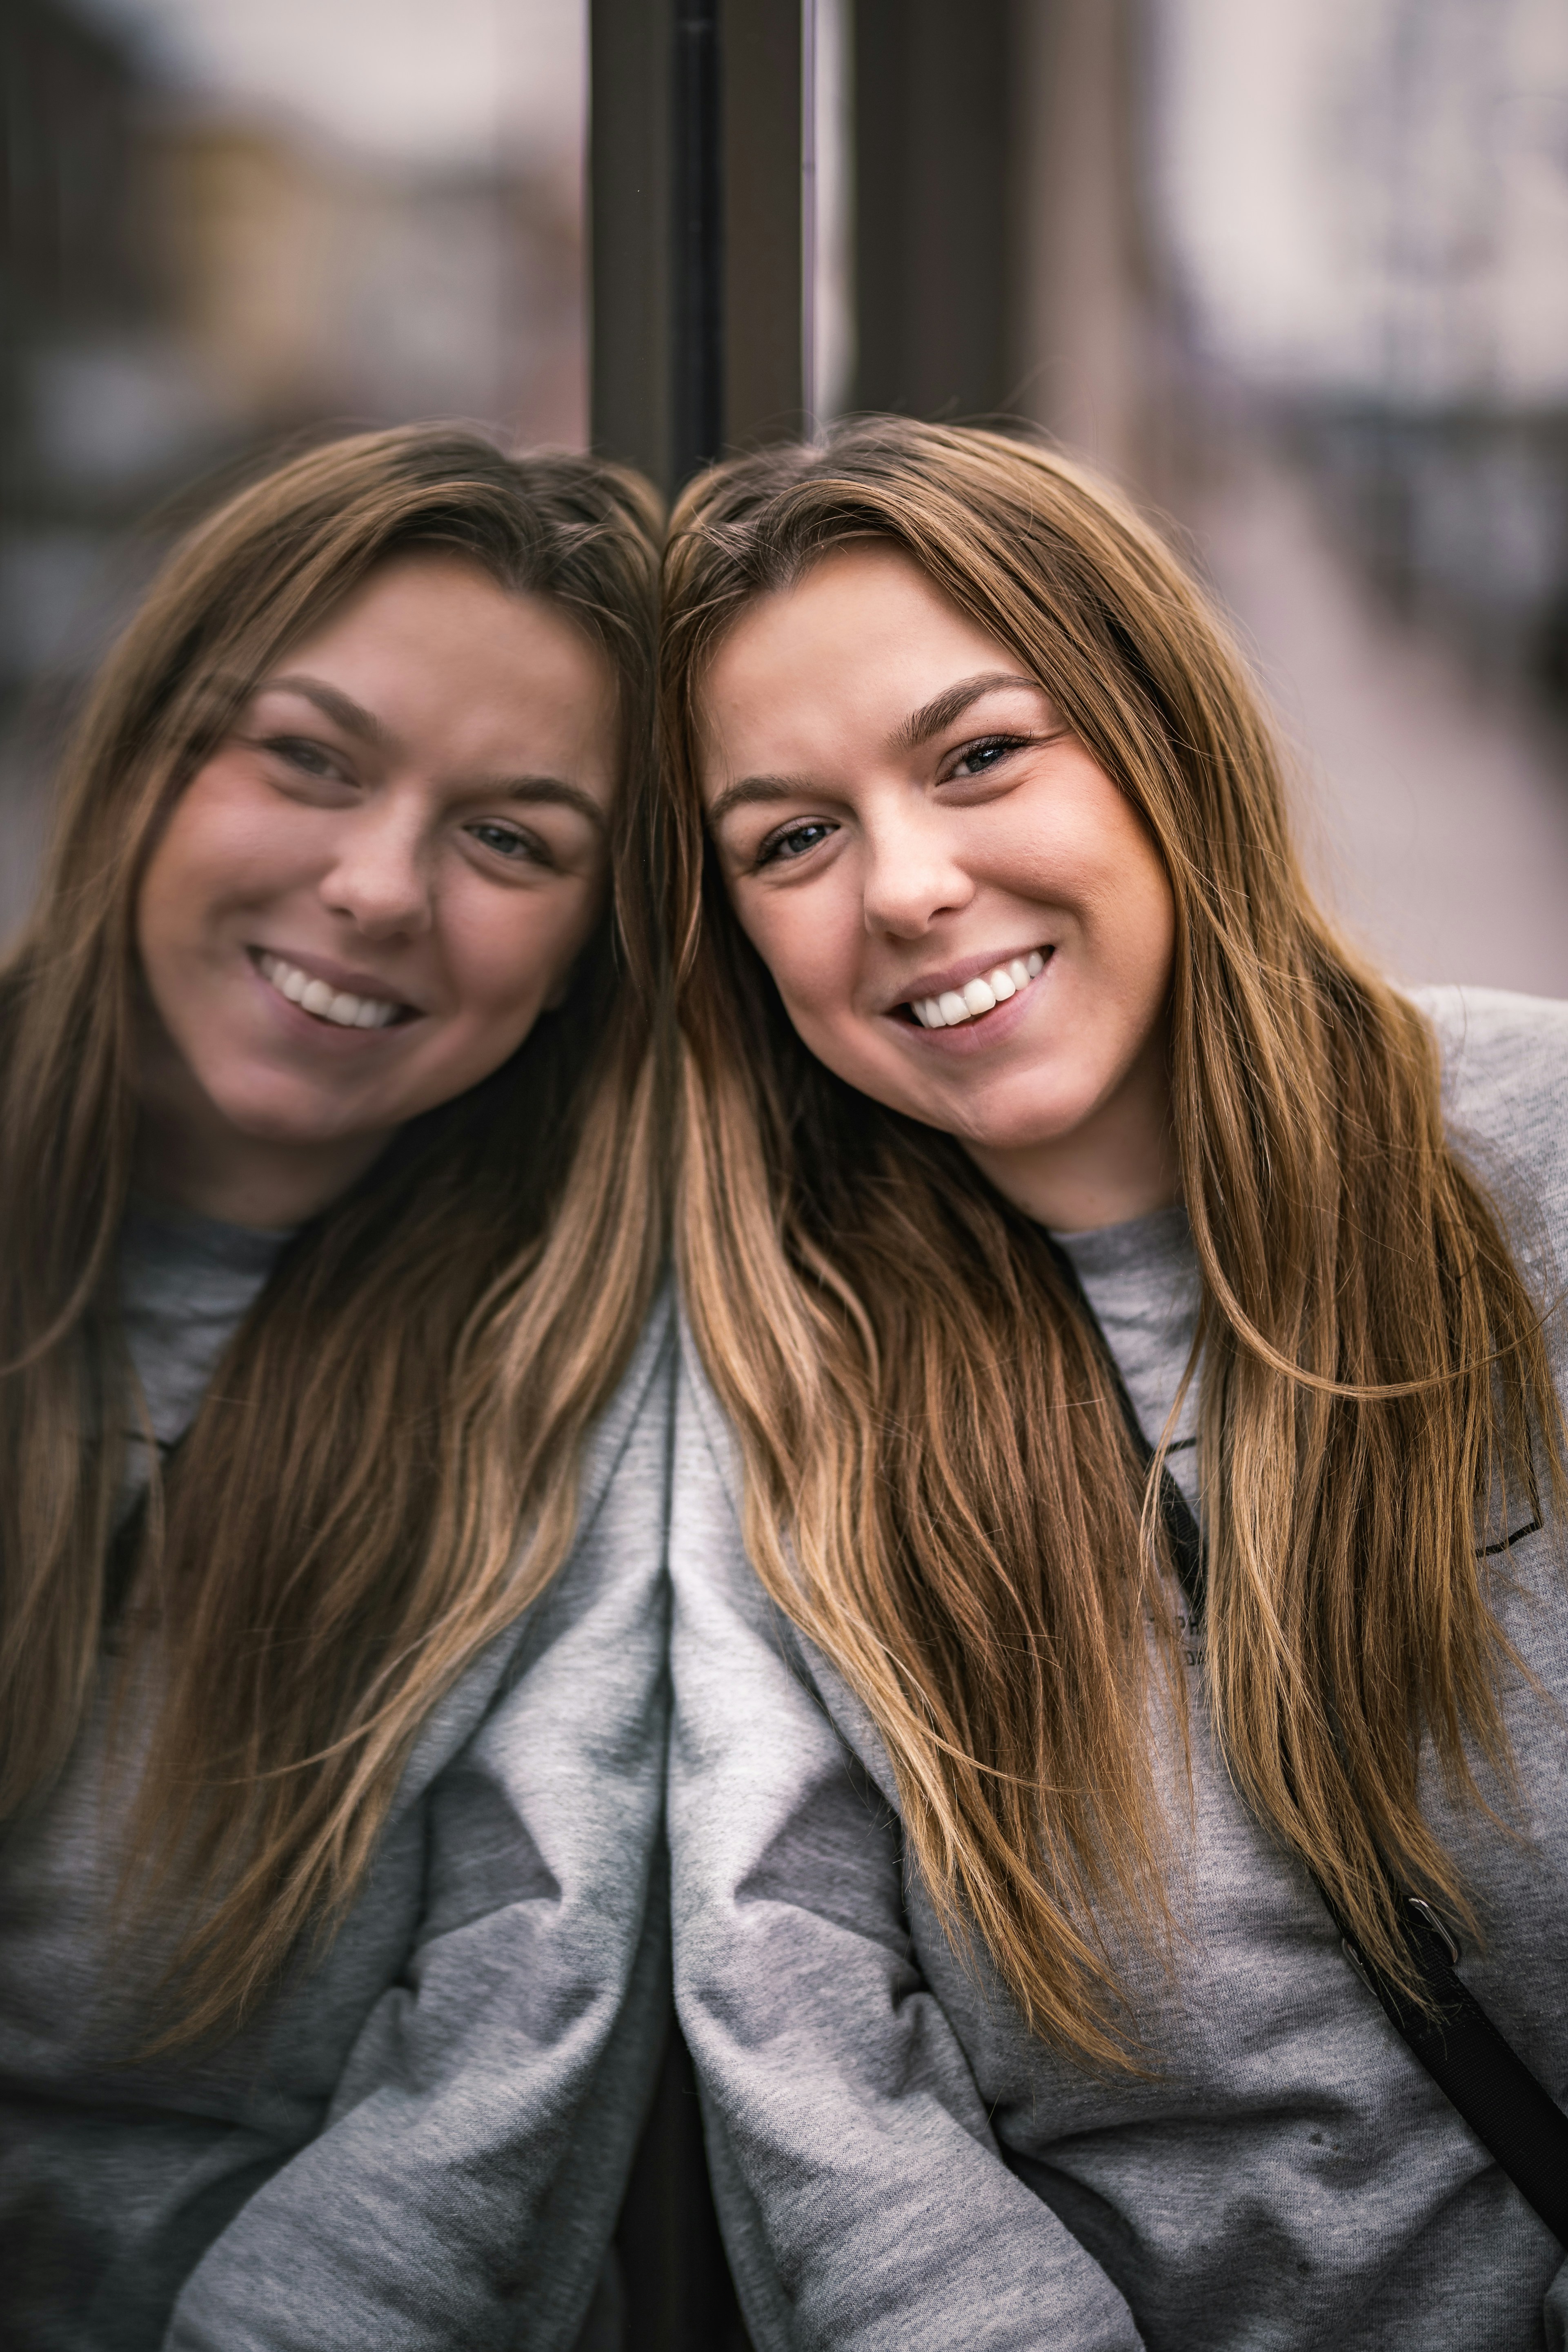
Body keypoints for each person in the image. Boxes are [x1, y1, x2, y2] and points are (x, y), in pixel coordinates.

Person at [661, 416, 1568, 2349]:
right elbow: (815, 2052)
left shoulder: (1535, 1164)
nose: (904, 885)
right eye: (791, 837)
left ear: (1157, 733)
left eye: (978, 754)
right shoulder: (772, 1372)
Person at [0, 426, 671, 2351]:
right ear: (140, 766)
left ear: (578, 961)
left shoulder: (580, 1387)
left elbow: (493, 2091)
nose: (377, 888)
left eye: (513, 838)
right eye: (308, 758)